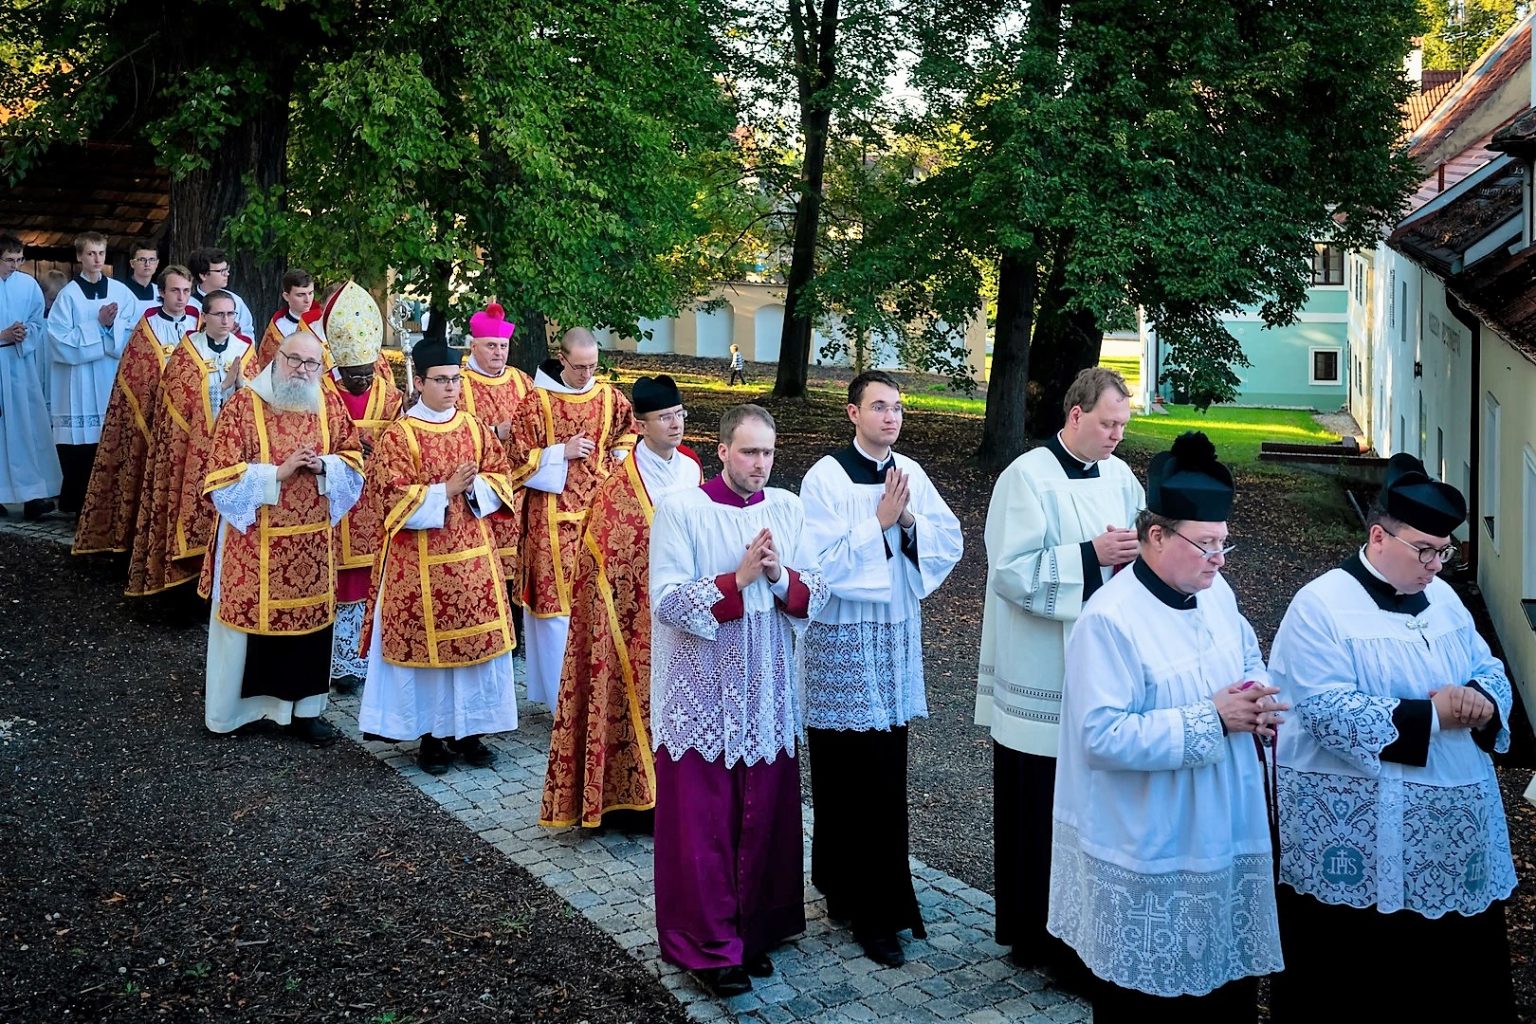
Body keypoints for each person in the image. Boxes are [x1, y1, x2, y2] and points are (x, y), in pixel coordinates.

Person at [1267, 453, 1517, 1022]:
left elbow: (1490, 666)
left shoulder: (1447, 599)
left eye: (1444, 551)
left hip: (1448, 832)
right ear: (1379, 536)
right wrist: (1433, 716)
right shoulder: (1322, 605)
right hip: (1359, 836)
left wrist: (1480, 696)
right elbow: (1325, 712)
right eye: (1424, 551)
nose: (1436, 565)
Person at [1048, 431, 1285, 1022]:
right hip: (1148, 842)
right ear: (1156, 536)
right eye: (1206, 544)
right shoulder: (1109, 621)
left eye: (1223, 543)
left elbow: (1247, 654)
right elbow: (1100, 737)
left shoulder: (1215, 592)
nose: (1219, 559)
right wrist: (1212, 717)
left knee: (1222, 997)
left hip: (1220, 828)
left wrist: (1255, 699)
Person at [649, 404, 829, 997]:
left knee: (762, 815)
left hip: (767, 689)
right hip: (702, 691)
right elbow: (667, 600)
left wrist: (779, 577)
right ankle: (705, 945)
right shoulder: (682, 510)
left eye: (769, 453)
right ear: (723, 450)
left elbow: (816, 590)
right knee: (704, 824)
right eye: (749, 452)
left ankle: (752, 931)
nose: (760, 464)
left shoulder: (788, 508)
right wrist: (740, 579)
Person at [973, 365, 1143, 982]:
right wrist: (1089, 557)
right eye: (1108, 423)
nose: (1117, 435)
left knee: (1087, 807)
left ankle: (1082, 932)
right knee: (1037, 801)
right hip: (1041, 668)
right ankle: (1031, 935)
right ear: (1075, 416)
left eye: (1123, 424)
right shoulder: (1026, 477)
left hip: (1100, 665)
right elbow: (1009, 571)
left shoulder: (1121, 476)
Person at [799, 370, 963, 966]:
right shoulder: (824, 477)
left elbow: (947, 541)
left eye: (897, 408)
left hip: (891, 642)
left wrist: (910, 521)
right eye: (879, 407)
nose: (891, 418)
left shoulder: (909, 473)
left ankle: (880, 904)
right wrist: (878, 524)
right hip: (840, 644)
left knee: (884, 773)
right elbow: (814, 566)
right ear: (852, 414)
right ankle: (844, 890)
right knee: (842, 773)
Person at [539, 374, 700, 830]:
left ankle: (679, 792)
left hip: (685, 609)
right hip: (628, 616)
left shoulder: (691, 469)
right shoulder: (619, 483)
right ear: (641, 425)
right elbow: (602, 559)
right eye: (664, 418)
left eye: (679, 415)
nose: (675, 424)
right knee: (632, 696)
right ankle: (634, 802)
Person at [357, 336, 521, 774]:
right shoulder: (400, 435)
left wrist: (475, 488)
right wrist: (443, 490)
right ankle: (430, 739)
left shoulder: (474, 427)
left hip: (474, 562)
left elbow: (503, 478)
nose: (451, 387)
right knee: (429, 661)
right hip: (418, 565)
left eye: (455, 379)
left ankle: (470, 733)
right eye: (442, 380)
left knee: (475, 652)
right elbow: (386, 498)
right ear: (420, 381)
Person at [199, 330, 364, 744]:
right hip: (254, 544)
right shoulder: (244, 405)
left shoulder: (327, 403)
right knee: (248, 625)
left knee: (310, 629)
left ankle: (305, 711)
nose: (303, 370)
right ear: (277, 356)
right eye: (295, 360)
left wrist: (325, 465)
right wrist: (278, 472)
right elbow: (220, 476)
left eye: (312, 364)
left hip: (312, 544)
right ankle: (240, 712)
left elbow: (354, 458)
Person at [510, 327, 636, 707]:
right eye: (579, 367)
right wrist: (557, 453)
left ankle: (595, 696)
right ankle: (558, 701)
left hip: (598, 517)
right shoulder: (536, 403)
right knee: (554, 608)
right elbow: (514, 459)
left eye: (593, 366)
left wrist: (617, 459)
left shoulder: (610, 397)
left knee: (596, 604)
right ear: (561, 359)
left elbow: (626, 434)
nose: (586, 374)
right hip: (550, 521)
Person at [126, 290, 255, 597]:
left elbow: (255, 403)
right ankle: (183, 589)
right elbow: (177, 403)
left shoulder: (246, 351)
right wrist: (220, 389)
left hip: (231, 453)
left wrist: (239, 386)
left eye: (231, 314)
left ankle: (227, 586)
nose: (226, 321)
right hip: (191, 452)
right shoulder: (187, 352)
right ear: (205, 317)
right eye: (219, 314)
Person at [73, 263, 198, 556]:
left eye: (186, 291)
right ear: (161, 292)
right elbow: (136, 375)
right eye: (175, 291)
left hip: (191, 417)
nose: (181, 298)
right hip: (153, 416)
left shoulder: (199, 321)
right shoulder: (148, 323)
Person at [325, 282, 402, 694]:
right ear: (339, 365)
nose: (361, 382)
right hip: (336, 507)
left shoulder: (391, 396)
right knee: (339, 584)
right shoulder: (320, 392)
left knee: (370, 582)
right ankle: (338, 663)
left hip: (375, 507)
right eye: (353, 375)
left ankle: (363, 657)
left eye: (367, 373)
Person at [46, 231, 138, 519]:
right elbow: (59, 341)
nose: (97, 259)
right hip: (78, 382)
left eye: (101, 253)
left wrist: (111, 329)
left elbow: (134, 330)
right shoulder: (67, 296)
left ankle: (109, 504)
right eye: (90, 254)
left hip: (109, 375)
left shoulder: (122, 292)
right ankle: (77, 504)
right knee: (80, 445)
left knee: (108, 440)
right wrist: (99, 325)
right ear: (79, 257)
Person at [458, 303, 534, 601]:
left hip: (521, 490)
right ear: (473, 345)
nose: (498, 353)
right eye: (491, 346)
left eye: (503, 346)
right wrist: (494, 433)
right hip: (480, 493)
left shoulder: (521, 380)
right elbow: (452, 434)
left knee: (518, 576)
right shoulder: (459, 383)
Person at [0, 233, 62, 519]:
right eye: (9, 260)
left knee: (26, 430)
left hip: (19, 367)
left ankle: (32, 495)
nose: (15, 265)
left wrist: (25, 334)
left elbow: (39, 322)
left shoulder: (28, 286)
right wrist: (2, 336)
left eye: (18, 259)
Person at [253, 268, 325, 371]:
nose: (307, 300)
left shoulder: (323, 322)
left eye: (310, 293)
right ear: (286, 296)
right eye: (300, 295)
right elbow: (266, 365)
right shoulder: (278, 328)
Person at [187, 247, 255, 339]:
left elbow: (248, 335)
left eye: (227, 269)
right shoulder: (188, 306)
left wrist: (233, 338)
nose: (227, 274)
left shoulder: (236, 301)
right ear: (203, 275)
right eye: (221, 271)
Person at [122, 240, 161, 320]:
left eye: (152, 259)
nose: (147, 264)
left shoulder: (160, 292)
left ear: (157, 263)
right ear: (132, 263)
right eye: (142, 259)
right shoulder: (121, 291)